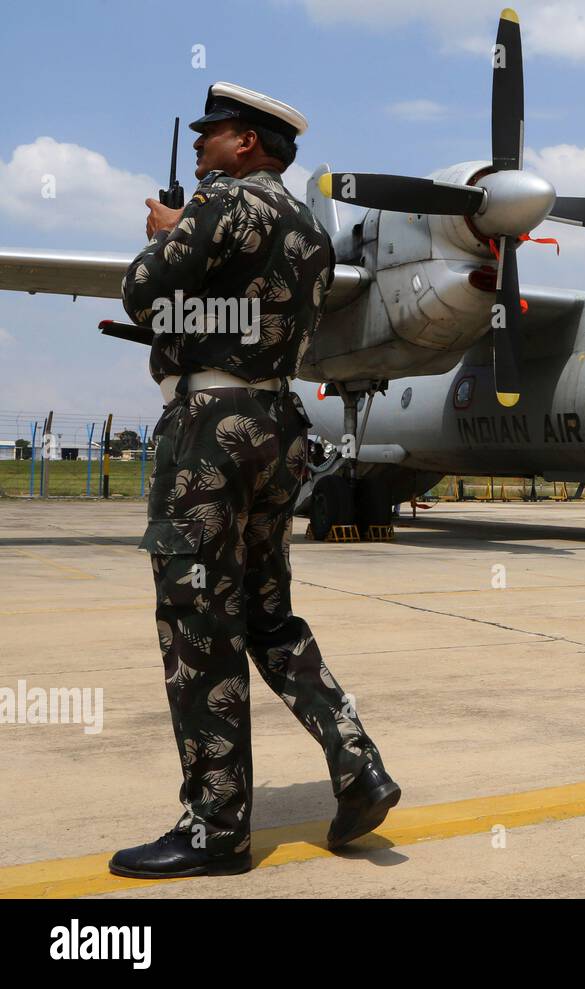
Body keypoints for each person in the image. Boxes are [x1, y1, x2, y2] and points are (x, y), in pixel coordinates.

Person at [109, 82, 399, 879]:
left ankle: (215, 829)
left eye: (213, 135)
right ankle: (357, 763)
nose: (200, 147)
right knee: (271, 620)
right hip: (278, 430)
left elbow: (141, 293)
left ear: (247, 144)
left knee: (200, 626)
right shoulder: (309, 229)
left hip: (208, 433)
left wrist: (165, 234)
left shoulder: (221, 203)